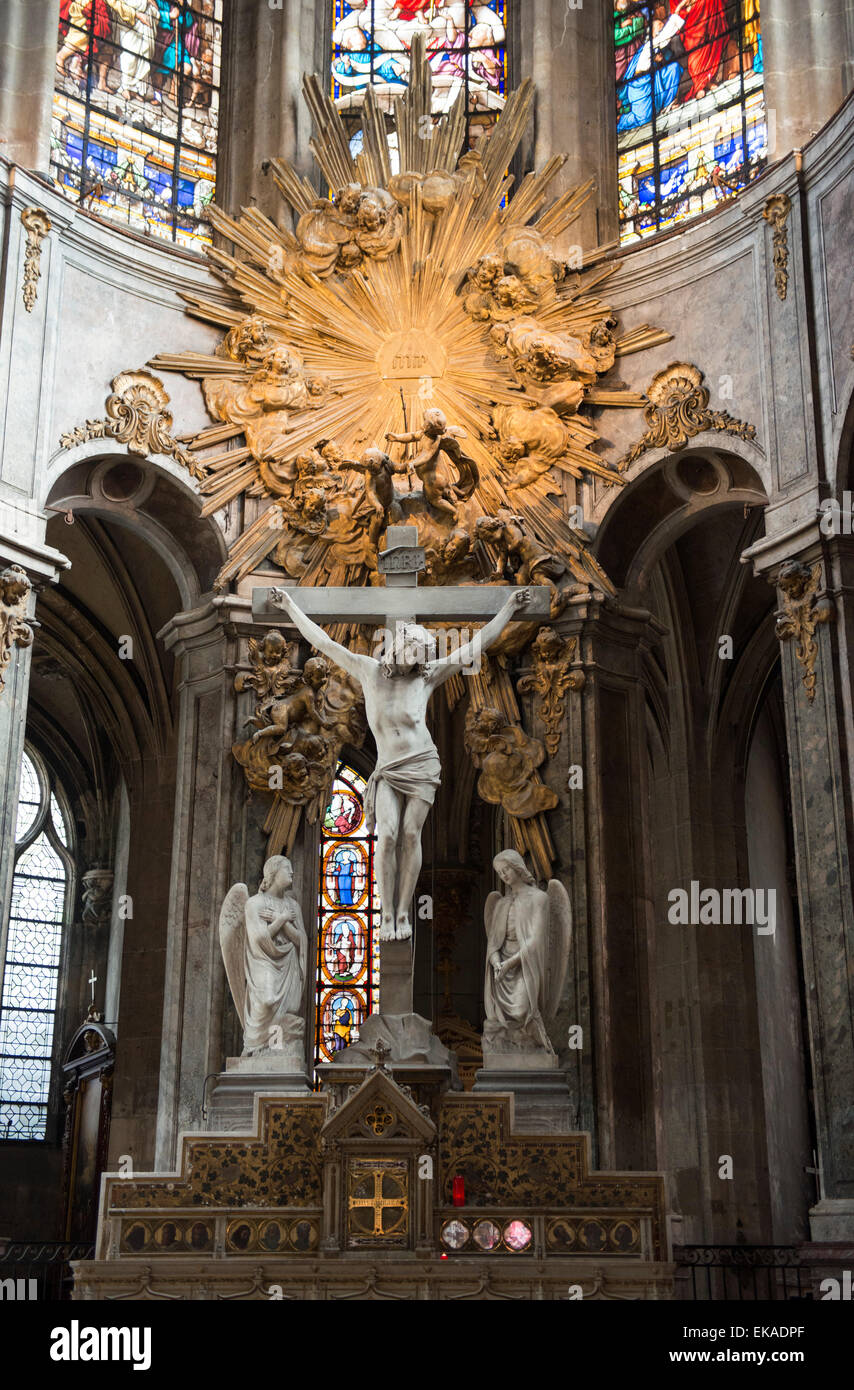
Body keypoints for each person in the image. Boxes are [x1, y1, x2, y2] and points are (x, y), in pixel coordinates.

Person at [270, 584, 530, 940]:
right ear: (400, 644)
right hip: (389, 769)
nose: (414, 660)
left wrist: (509, 610)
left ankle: (403, 912)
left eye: (420, 655)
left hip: (422, 763)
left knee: (410, 833)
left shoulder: (426, 676)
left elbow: (475, 645)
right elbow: (327, 643)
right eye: (412, 650)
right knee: (387, 836)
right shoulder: (368, 670)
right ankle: (386, 914)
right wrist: (288, 607)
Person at [617, 0, 690, 133]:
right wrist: (678, 11)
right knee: (644, 118)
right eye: (659, 30)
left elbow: (666, 53)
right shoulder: (645, 51)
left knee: (673, 68)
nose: (661, 33)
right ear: (652, 35)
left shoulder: (658, 51)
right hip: (642, 91)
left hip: (655, 88)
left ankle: (668, 105)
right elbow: (664, 38)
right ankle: (621, 121)